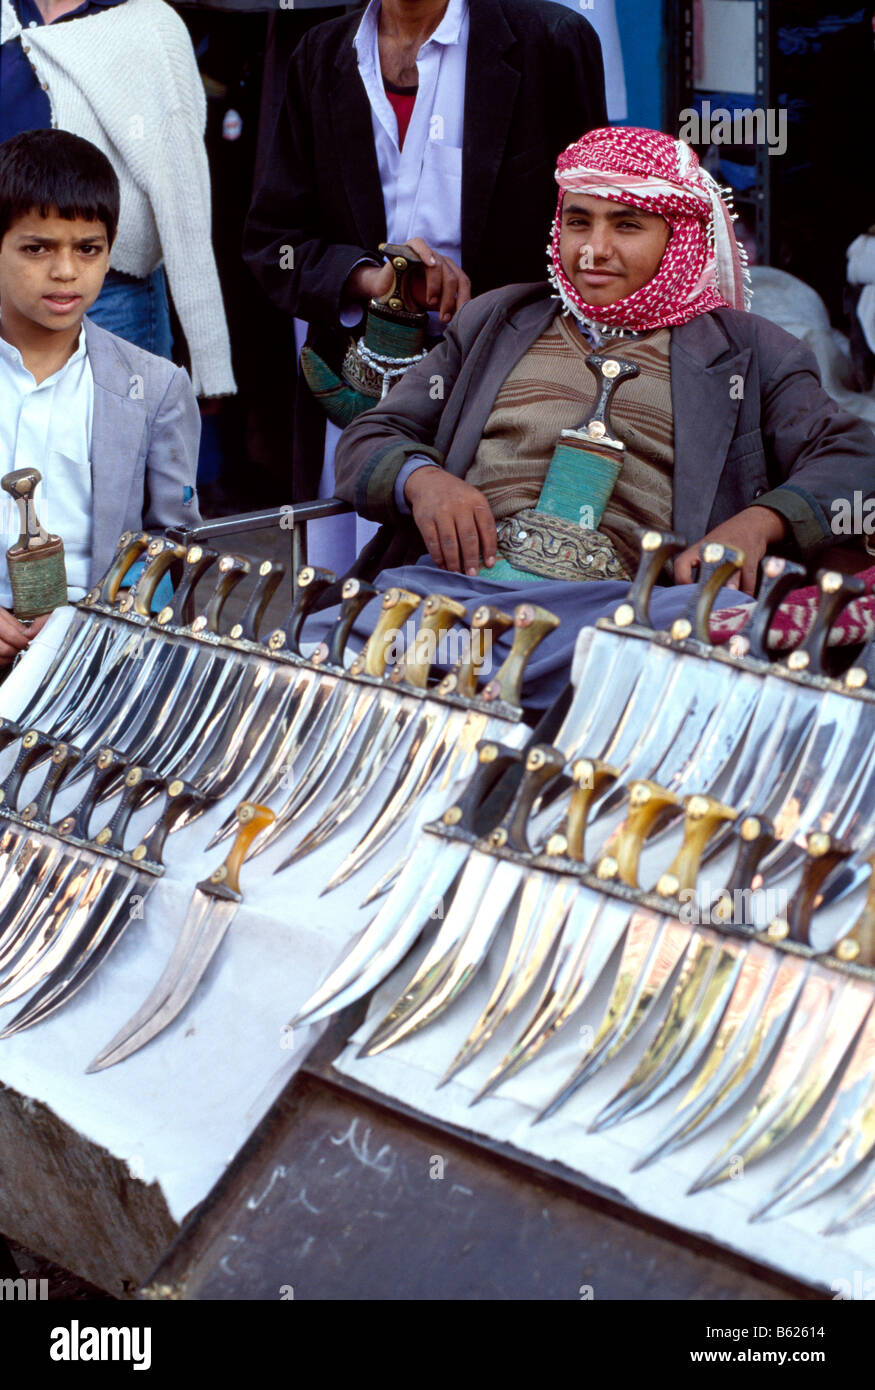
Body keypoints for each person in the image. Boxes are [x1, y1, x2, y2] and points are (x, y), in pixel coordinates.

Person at [328, 126, 875, 711]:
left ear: (680, 235)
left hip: (629, 614)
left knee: (667, 655)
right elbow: (371, 436)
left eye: (627, 225)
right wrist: (423, 480)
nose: (594, 249)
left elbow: (855, 460)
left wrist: (758, 525)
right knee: (314, 649)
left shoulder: (753, 351)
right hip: (459, 597)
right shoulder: (497, 321)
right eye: (578, 221)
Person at [243, 0, 607, 574]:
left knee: (488, 603)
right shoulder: (319, 54)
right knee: (351, 606)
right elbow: (273, 241)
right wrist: (375, 279)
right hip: (356, 384)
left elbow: (592, 222)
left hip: (511, 385)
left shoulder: (552, 41)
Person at [0, 129, 201, 665]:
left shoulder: (155, 388)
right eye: (36, 248)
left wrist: (92, 618)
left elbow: (174, 547)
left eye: (87, 249)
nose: (66, 271)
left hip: (98, 659)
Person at [0, 0, 235, 399]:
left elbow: (183, 188)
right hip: (7, 287)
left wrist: (209, 356)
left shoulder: (147, 23)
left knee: (114, 450)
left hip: (107, 292)